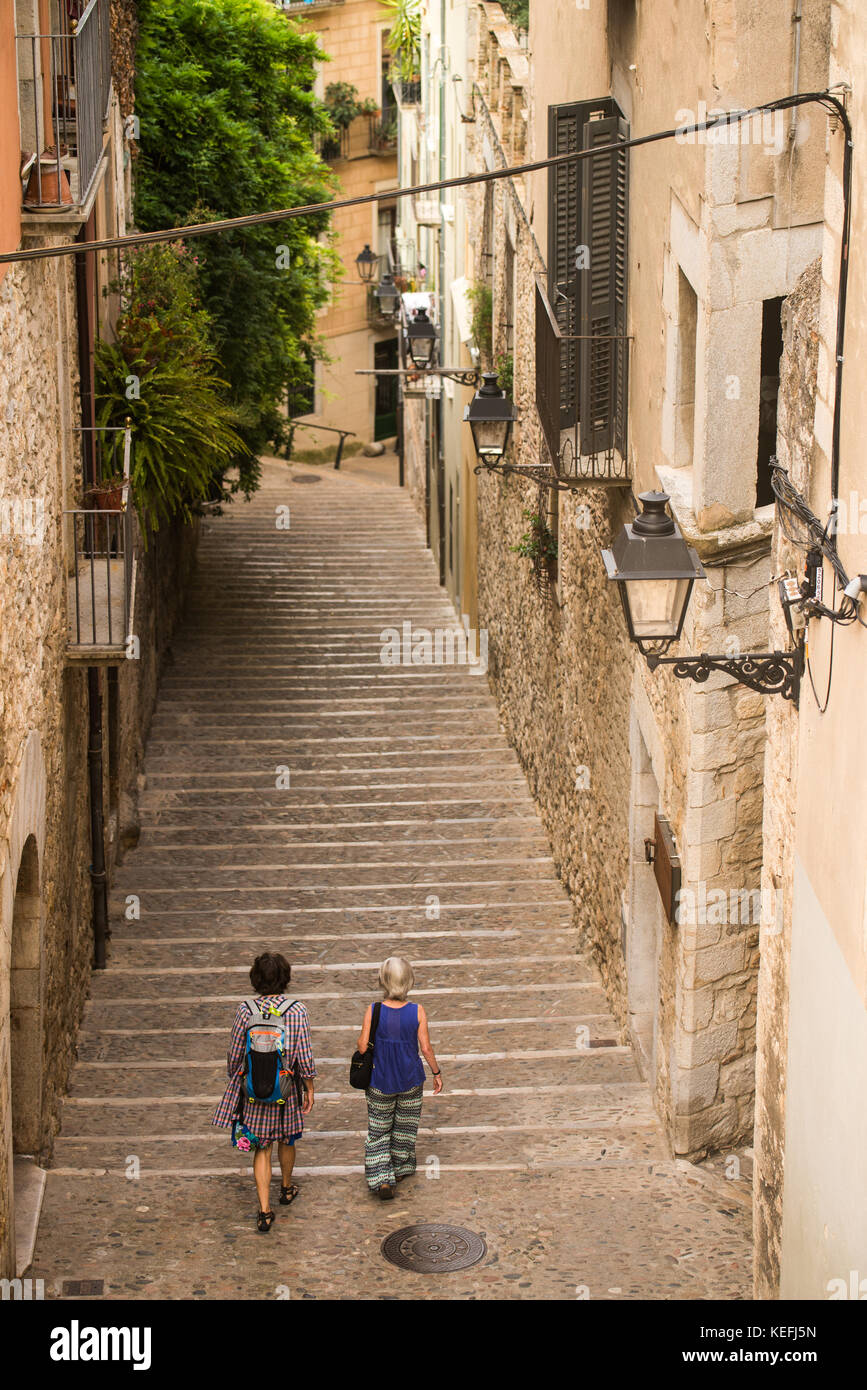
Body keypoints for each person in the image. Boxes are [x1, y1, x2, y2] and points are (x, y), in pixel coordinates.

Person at [212, 951, 315, 1232]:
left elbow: (235, 1054)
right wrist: (309, 1087)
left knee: (262, 1146)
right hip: (286, 1088)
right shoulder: (297, 1010)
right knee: (288, 1139)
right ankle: (286, 1188)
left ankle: (265, 1210)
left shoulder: (245, 1010)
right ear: (285, 978)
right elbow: (304, 1055)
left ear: (256, 979)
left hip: (255, 1090)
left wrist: (239, 1080)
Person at [356, 955, 442, 1199]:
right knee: (405, 1126)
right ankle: (400, 1168)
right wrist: (436, 1072)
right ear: (408, 981)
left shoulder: (374, 1010)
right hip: (410, 1079)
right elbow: (425, 1048)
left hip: (379, 1080)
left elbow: (363, 1047)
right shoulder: (417, 1011)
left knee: (379, 1129)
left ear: (384, 980)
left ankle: (382, 1178)